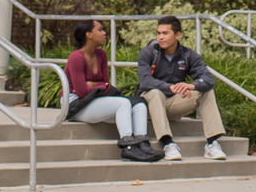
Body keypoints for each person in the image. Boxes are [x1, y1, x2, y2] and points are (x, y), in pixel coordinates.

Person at [65, 19, 161, 162]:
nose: (104, 33)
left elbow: (105, 84)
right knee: (122, 104)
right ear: (89, 34)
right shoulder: (76, 58)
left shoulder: (101, 55)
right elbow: (81, 91)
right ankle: (128, 147)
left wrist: (92, 84)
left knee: (139, 104)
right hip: (76, 104)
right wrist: (99, 86)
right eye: (100, 30)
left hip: (95, 100)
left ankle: (142, 144)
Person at [136, 16, 226, 161]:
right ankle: (167, 144)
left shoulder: (188, 55)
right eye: (158, 33)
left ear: (177, 35)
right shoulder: (149, 53)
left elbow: (208, 79)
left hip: (173, 104)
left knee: (206, 91)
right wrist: (171, 87)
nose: (160, 37)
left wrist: (192, 86)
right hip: (149, 106)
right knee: (155, 92)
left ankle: (212, 144)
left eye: (165, 33)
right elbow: (145, 81)